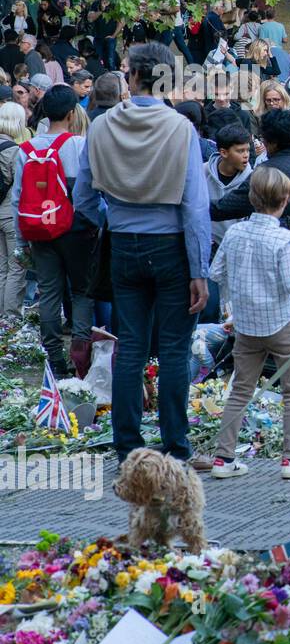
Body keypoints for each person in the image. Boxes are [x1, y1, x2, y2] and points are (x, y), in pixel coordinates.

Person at [75, 42, 212, 465]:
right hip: (171, 245)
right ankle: (175, 445)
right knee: (173, 348)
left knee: (130, 346)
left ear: (131, 76)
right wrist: (200, 268)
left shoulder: (100, 127)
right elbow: (194, 206)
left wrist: (113, 217)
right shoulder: (180, 128)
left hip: (124, 245)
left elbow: (82, 197)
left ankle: (127, 445)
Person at [208, 166, 290, 481]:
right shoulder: (284, 238)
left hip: (246, 322)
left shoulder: (234, 232)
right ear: (285, 200)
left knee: (241, 388)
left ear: (251, 197)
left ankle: (223, 458)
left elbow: (217, 272)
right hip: (281, 322)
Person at [10, 86, 95, 377]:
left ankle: (54, 359)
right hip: (75, 231)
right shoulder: (80, 145)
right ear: (72, 113)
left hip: (39, 231)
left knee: (48, 294)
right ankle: (81, 354)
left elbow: (17, 196)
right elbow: (89, 190)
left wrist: (22, 242)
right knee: (82, 291)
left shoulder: (26, 150)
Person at [0, 101, 27, 317]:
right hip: (10, 215)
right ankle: (11, 319)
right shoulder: (14, 151)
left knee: (1, 268)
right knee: (17, 267)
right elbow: (21, 188)